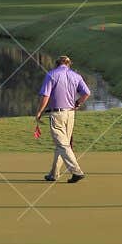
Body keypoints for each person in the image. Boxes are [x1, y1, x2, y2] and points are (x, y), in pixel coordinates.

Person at [35, 55, 89, 183]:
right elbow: (87, 93)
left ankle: (76, 172)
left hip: (57, 114)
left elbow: (45, 96)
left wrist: (39, 112)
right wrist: (78, 104)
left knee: (63, 144)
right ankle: (54, 174)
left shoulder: (51, 75)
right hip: (71, 114)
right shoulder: (76, 76)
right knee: (62, 144)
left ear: (57, 64)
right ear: (69, 64)